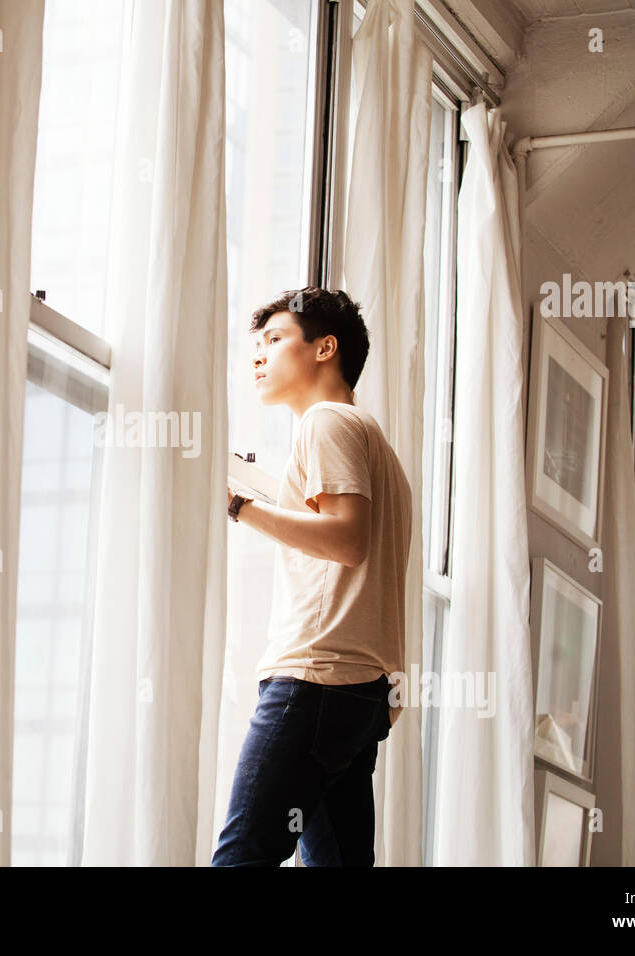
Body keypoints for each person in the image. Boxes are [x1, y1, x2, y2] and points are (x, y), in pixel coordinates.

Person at [211, 286, 413, 867]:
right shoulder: (374, 442)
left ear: (326, 348)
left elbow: (346, 539)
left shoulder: (327, 422)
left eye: (274, 340)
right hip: (359, 688)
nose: (259, 356)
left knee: (242, 854)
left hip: (317, 678)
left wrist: (238, 508)